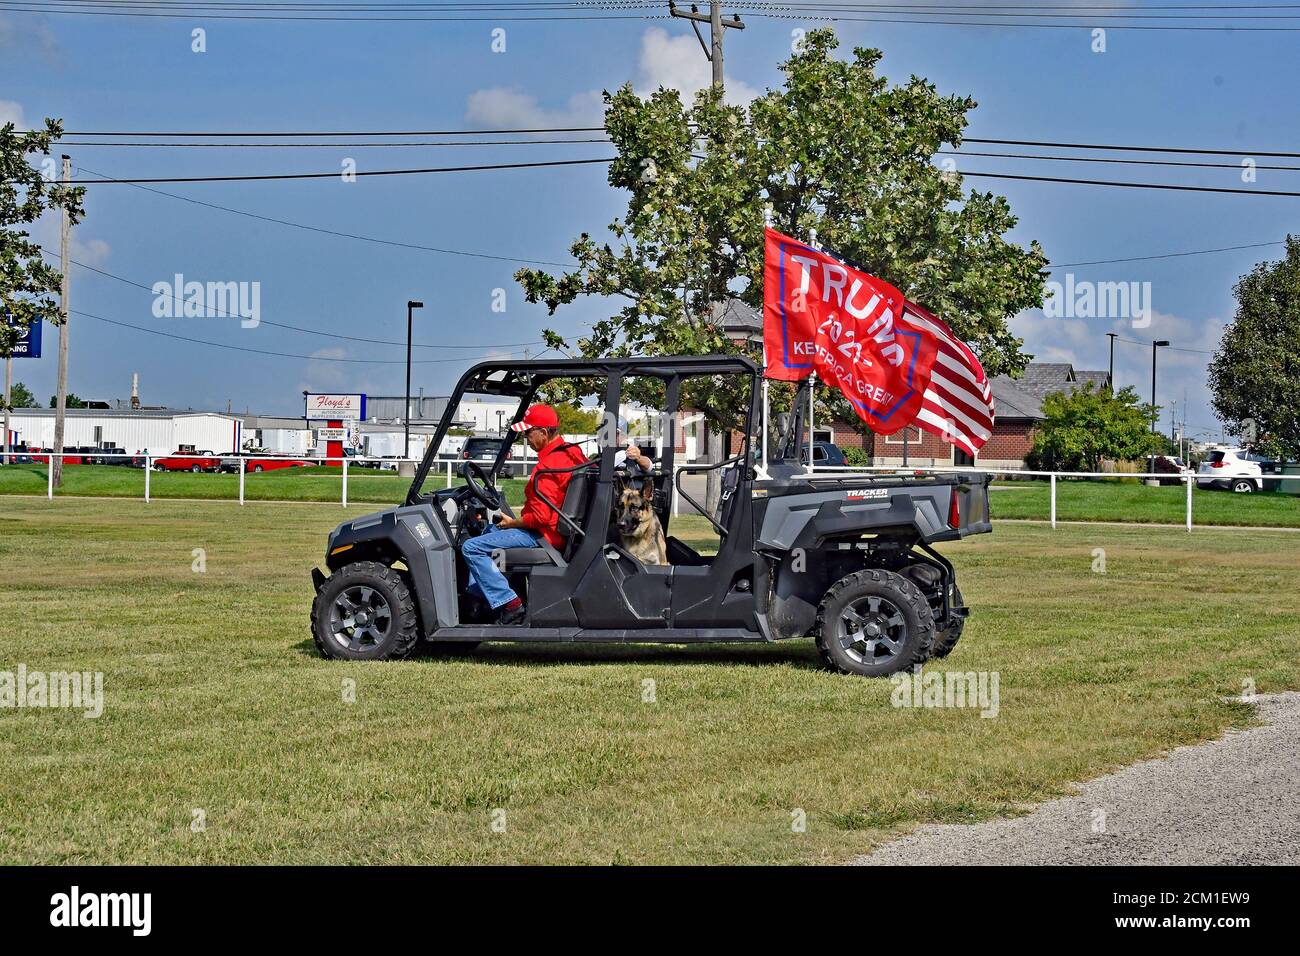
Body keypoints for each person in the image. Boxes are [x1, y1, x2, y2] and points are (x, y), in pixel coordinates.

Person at [460, 404, 588, 624]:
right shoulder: (571, 453)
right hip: (556, 530)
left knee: (471, 548)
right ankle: (478, 599)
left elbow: (540, 518)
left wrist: (513, 523)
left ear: (544, 433)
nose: (526, 438)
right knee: (489, 531)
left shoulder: (548, 466)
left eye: (528, 432)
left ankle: (510, 604)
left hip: (543, 536)